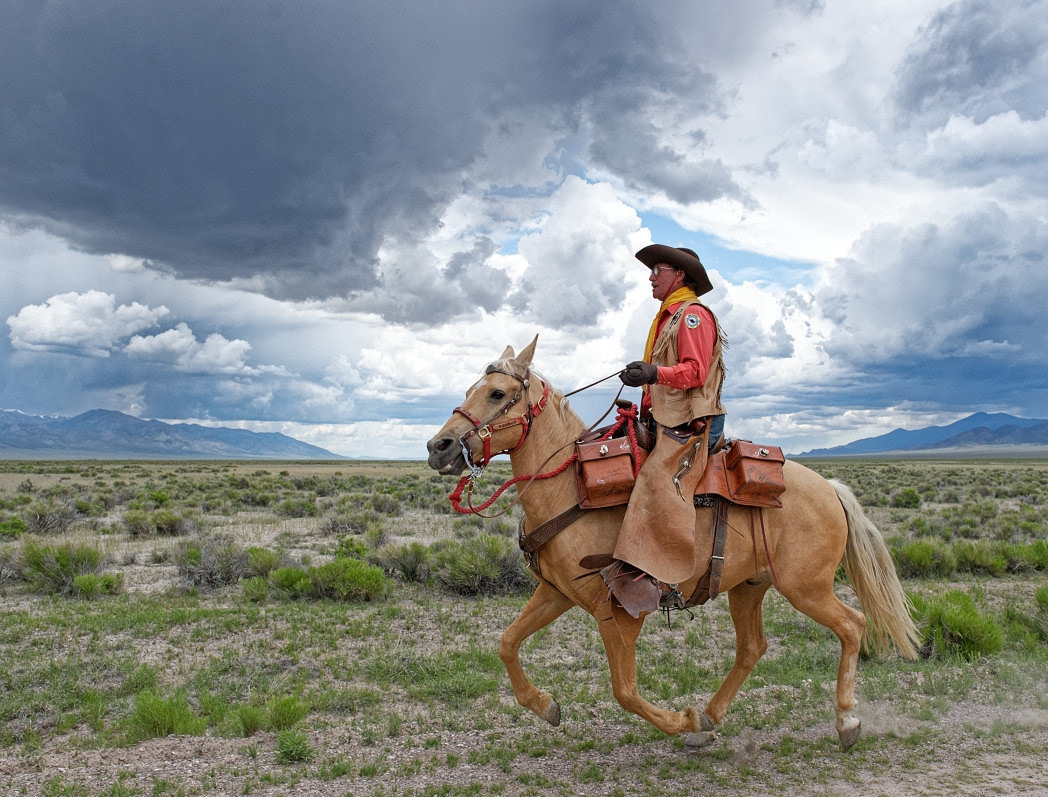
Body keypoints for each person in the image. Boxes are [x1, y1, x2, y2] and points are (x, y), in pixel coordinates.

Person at [611, 244, 727, 611]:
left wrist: (653, 373)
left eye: (657, 269)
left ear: (678, 274)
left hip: (691, 422)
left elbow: (695, 371)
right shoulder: (668, 317)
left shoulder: (692, 315)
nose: (650, 276)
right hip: (666, 417)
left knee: (658, 479)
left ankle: (663, 576)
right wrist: (645, 386)